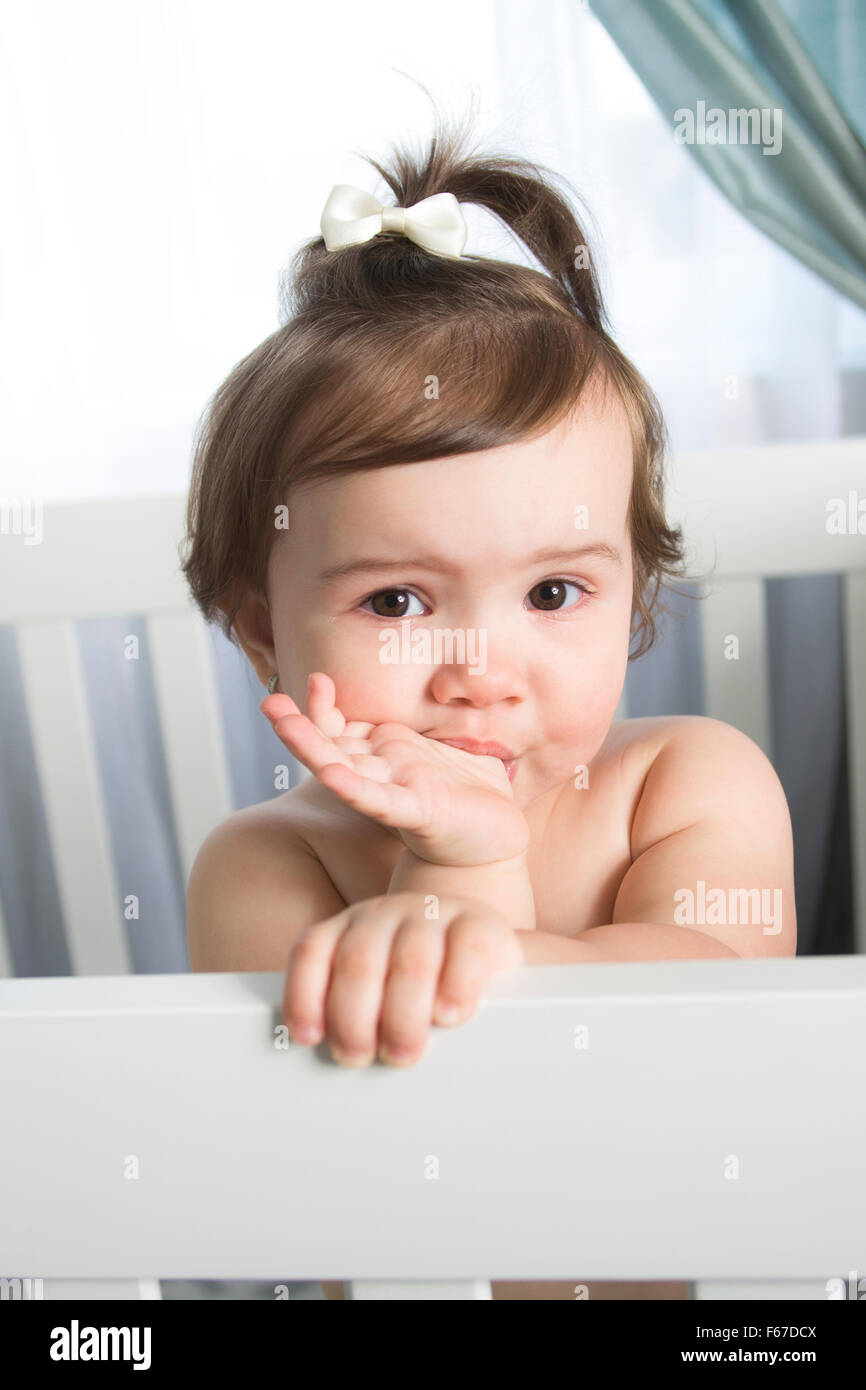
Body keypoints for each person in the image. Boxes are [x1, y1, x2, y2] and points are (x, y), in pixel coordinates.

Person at [182, 102, 796, 1302]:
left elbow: (719, 1009)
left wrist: (474, 879)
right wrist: (454, 866)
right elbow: (334, 1163)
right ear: (262, 624)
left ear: (630, 596)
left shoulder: (688, 787)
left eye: (554, 589)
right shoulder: (262, 866)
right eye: (400, 603)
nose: (479, 663)